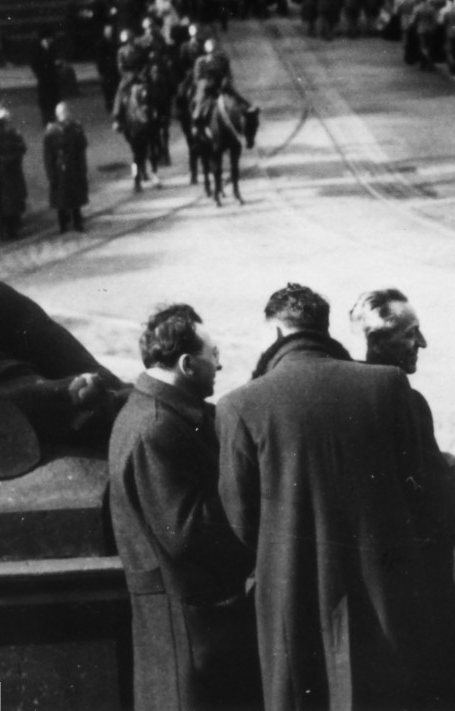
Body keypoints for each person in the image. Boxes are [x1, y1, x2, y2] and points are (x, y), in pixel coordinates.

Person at [217, 283, 455, 711]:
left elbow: (241, 522)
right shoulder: (387, 385)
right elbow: (422, 495)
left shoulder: (239, 405)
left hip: (293, 598)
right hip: (384, 596)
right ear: (322, 326)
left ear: (275, 332)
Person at [350, 288, 455, 709]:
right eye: (410, 333)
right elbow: (435, 497)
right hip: (421, 579)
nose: (422, 342)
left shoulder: (348, 395)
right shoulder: (402, 398)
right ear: (376, 340)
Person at [106, 303, 259, 711]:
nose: (220, 366)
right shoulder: (157, 426)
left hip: (190, 624)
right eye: (214, 356)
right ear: (188, 364)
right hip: (194, 627)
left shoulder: (156, 413)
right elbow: (187, 533)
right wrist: (248, 488)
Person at [0, 108, 28, 241]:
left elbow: (21, 149)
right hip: (0, 174)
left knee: (11, 205)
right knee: (3, 206)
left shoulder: (13, 134)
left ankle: (11, 229)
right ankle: (5, 230)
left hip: (11, 174)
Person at [43, 101, 89, 234]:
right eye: (62, 113)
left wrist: (83, 168)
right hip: (60, 169)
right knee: (61, 198)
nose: (65, 116)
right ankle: (62, 223)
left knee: (76, 196)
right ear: (58, 115)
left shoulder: (76, 128)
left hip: (74, 166)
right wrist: (51, 174)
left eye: (66, 112)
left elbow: (82, 148)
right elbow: (48, 156)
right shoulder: (51, 132)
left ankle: (77, 221)